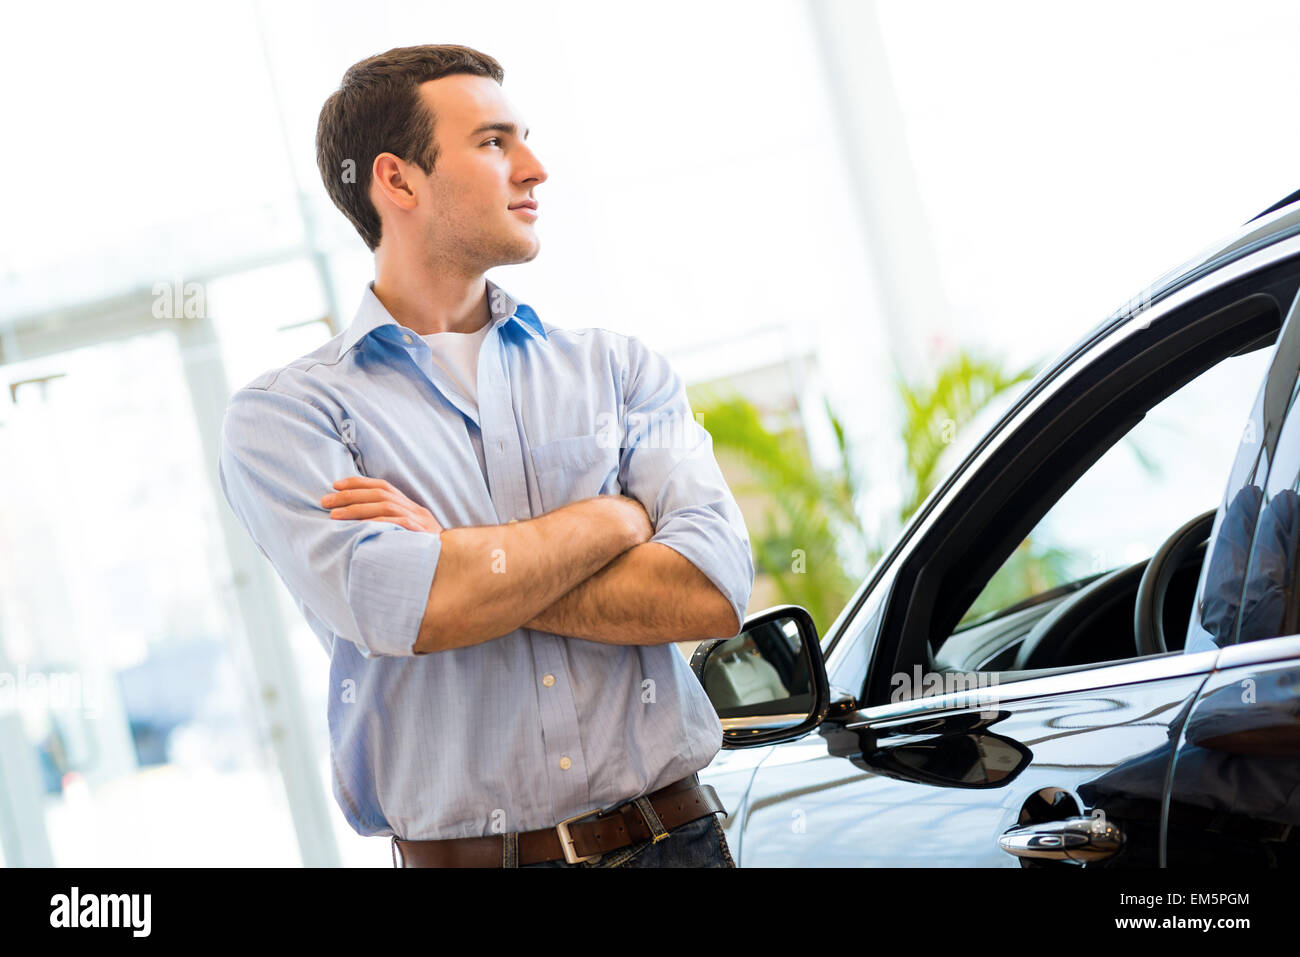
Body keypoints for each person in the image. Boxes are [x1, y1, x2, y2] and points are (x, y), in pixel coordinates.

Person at [216, 44, 754, 868]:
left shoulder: (619, 370)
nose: (534, 169)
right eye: (495, 143)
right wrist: (615, 517)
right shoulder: (287, 417)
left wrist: (455, 557)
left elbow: (709, 590)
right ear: (396, 181)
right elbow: (415, 612)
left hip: (674, 843)